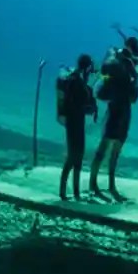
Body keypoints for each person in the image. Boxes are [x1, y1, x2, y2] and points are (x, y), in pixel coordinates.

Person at [89, 31, 138, 202]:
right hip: (115, 108)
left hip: (124, 109)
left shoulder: (130, 64)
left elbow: (134, 80)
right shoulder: (117, 60)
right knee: (103, 148)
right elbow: (110, 71)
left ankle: (111, 186)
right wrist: (131, 63)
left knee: (116, 150)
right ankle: (93, 184)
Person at [57, 54, 99, 201]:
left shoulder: (76, 79)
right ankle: (66, 191)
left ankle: (74, 191)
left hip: (76, 122)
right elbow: (83, 103)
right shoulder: (77, 81)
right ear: (87, 67)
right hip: (75, 122)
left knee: (77, 156)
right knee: (74, 156)